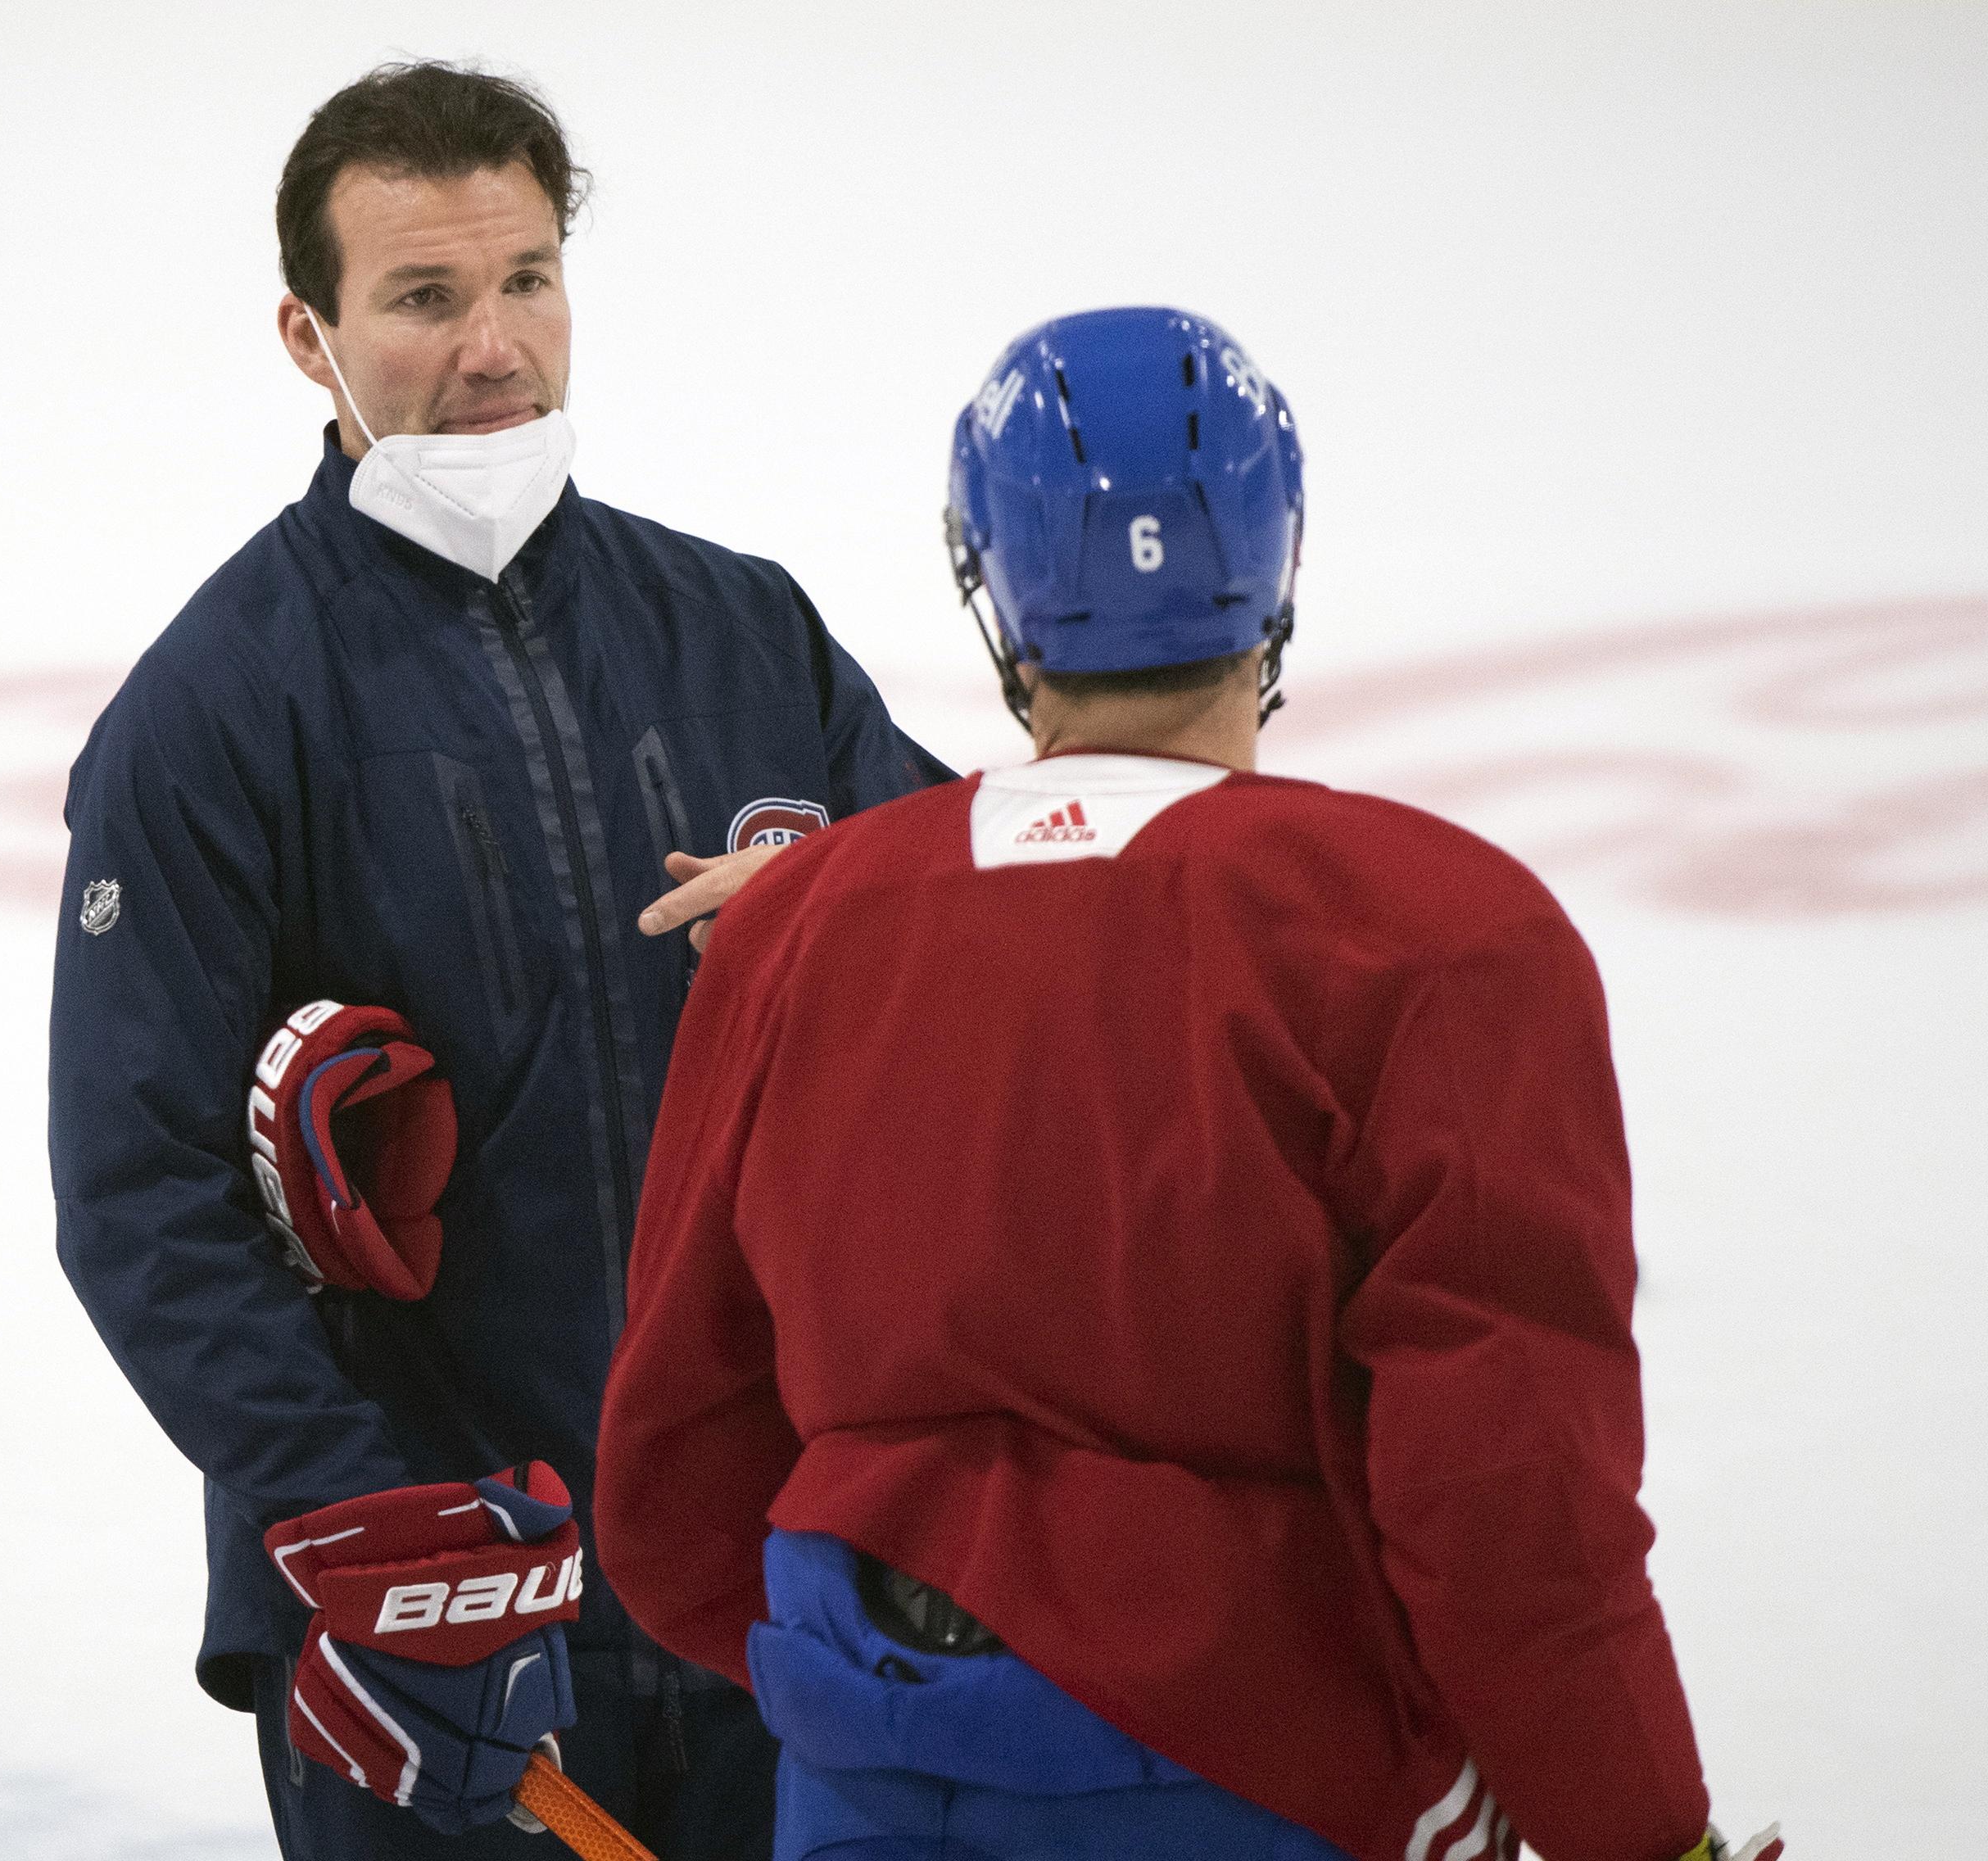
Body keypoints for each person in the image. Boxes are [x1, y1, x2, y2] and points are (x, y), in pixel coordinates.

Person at [595, 308, 1780, 1861]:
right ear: (1278, 560)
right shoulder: (1443, 932)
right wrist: (1642, 1832)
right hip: (1265, 1770)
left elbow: (678, 1464)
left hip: (860, 1754)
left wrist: (875, 1689)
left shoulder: (800, 926)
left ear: (988, 580)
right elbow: (1510, 1502)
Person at [47, 61, 944, 1861]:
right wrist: (371, 1529)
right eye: (425, 298)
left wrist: (862, 913)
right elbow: (137, 1189)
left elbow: (1010, 991)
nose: (494, 347)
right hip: (446, 1657)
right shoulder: (212, 711)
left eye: (527, 279)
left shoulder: (743, 629)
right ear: (309, 339)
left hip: (781, 1592)